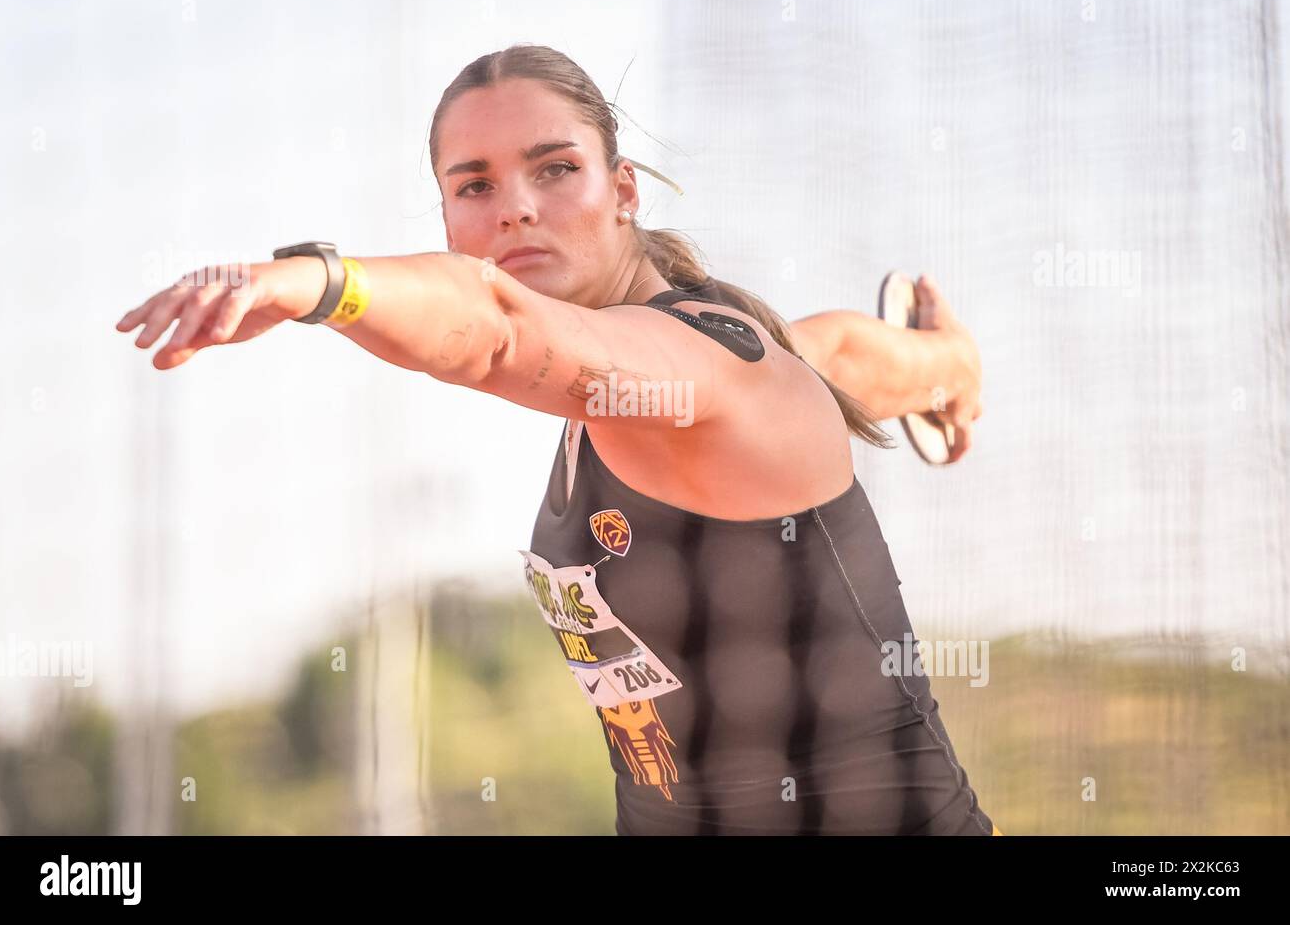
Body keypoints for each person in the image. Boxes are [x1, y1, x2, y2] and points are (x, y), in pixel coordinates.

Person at [115, 44, 996, 835]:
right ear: (452, 220)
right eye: (475, 186)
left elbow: (495, 326)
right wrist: (945, 366)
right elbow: (838, 356)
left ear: (623, 191)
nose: (516, 211)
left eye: (555, 168)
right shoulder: (695, 376)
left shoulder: (704, 365)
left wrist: (319, 283)